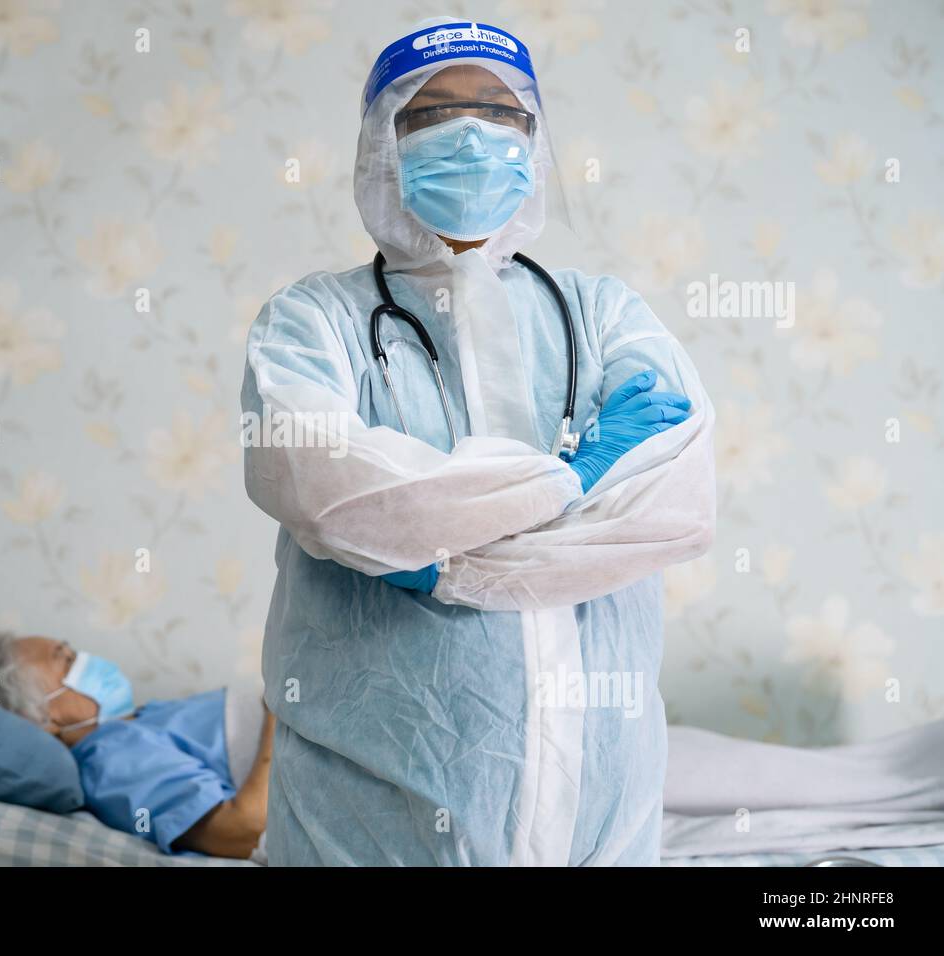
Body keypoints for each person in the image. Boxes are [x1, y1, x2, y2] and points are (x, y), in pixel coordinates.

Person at [240, 17, 716, 865]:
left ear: (534, 140)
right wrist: (578, 481)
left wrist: (440, 558)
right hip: (369, 810)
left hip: (604, 803)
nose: (472, 135)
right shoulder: (314, 321)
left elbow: (670, 503)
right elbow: (326, 491)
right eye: (432, 115)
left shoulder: (602, 312)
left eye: (502, 114)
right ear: (383, 145)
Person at [0, 633, 273, 860]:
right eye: (66, 661)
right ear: (41, 718)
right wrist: (283, 715)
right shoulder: (110, 758)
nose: (85, 659)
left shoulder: (137, 721)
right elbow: (242, 831)